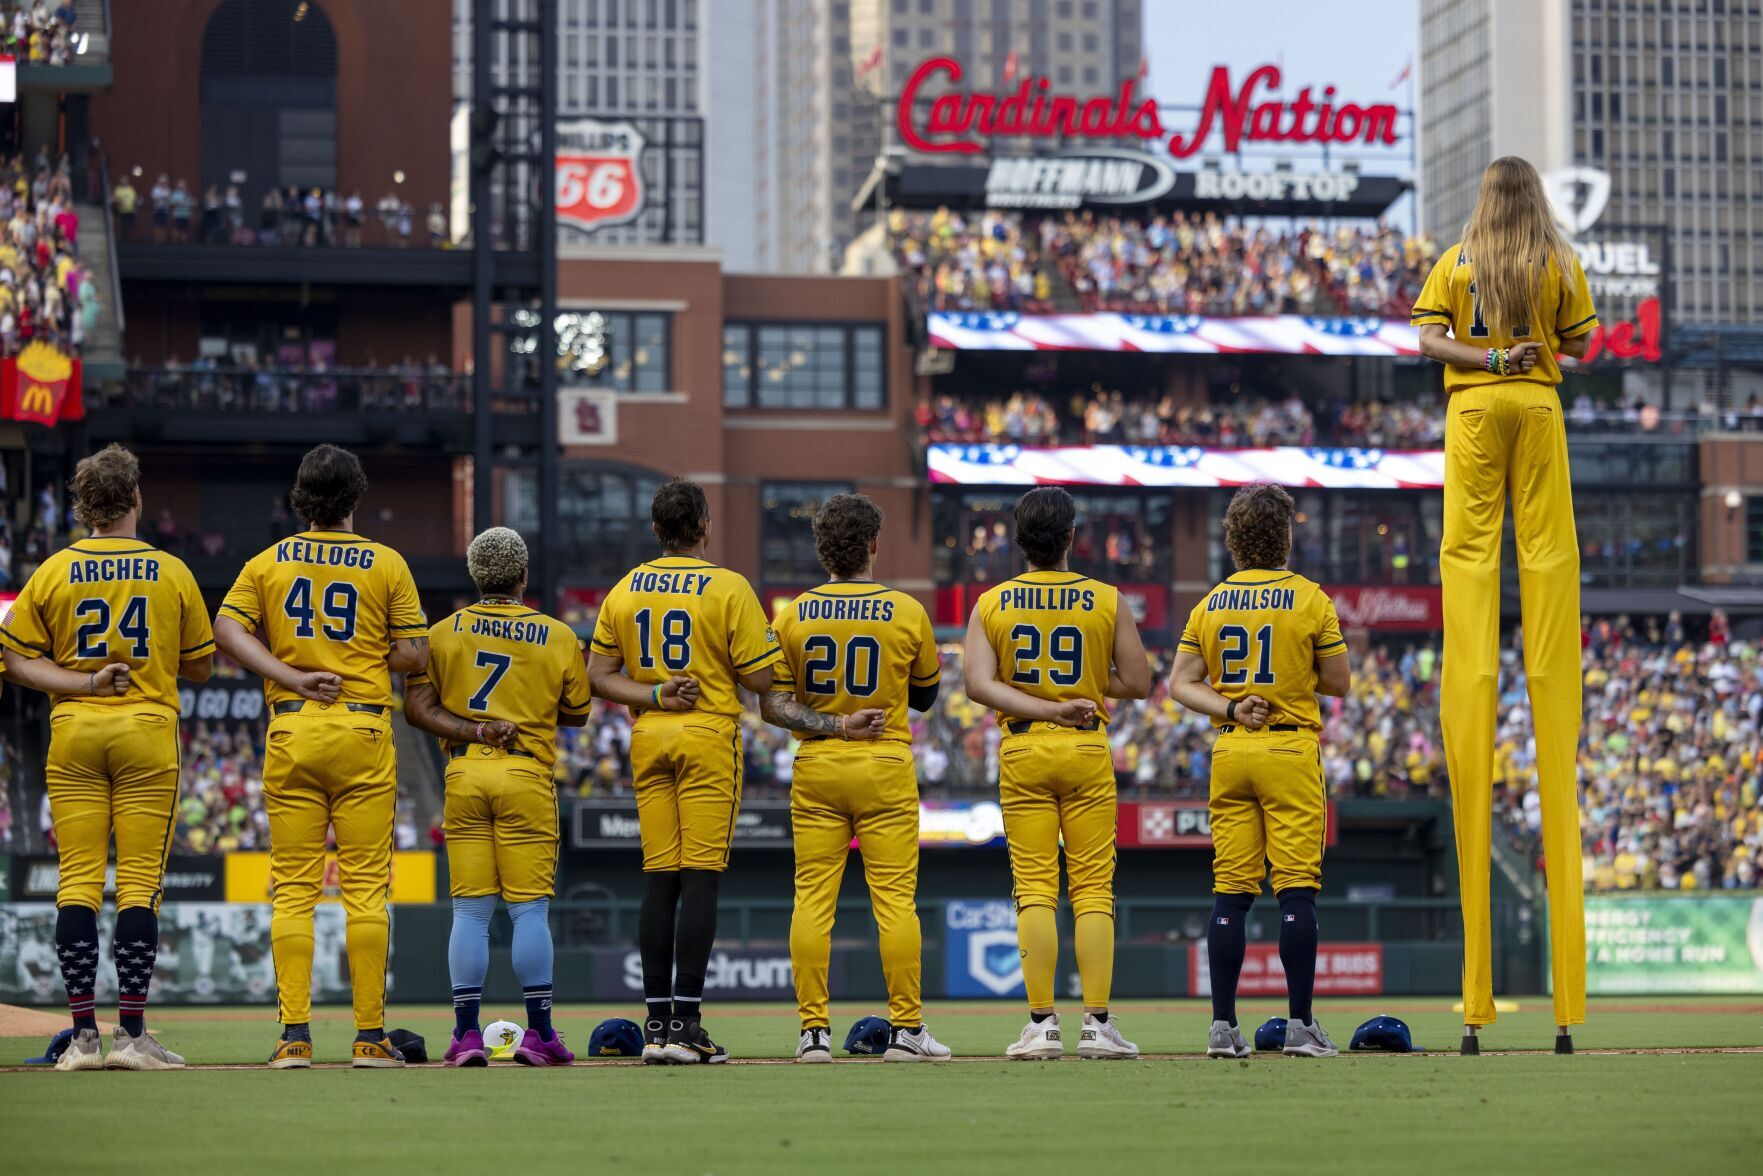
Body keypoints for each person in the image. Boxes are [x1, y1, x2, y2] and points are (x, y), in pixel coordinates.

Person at [1412, 155, 1598, 1054]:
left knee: (1469, 569)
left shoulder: (1456, 260)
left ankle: (1475, 1005)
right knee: (1550, 563)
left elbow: (1425, 343)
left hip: (1476, 407)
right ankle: (1566, 1006)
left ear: (1483, 200)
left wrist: (1486, 350)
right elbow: (1589, 344)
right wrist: (1534, 347)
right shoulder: (1555, 262)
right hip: (1536, 402)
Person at [213, 444, 429, 1068]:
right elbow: (415, 653)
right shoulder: (385, 563)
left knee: (294, 892)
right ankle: (368, 1038)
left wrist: (289, 670)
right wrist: (362, 656)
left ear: (301, 498)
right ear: (356, 496)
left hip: (293, 727)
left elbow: (225, 629)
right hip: (362, 731)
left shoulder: (270, 561)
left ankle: (294, 1038)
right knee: (365, 891)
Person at [0, 444, 215, 1070]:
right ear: (137, 499)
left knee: (77, 886)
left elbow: (11, 658)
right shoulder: (171, 570)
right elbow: (200, 665)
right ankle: (132, 1037)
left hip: (74, 733)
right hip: (147, 732)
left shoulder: (51, 570)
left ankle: (82, 1040)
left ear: (82, 504)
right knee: (140, 886)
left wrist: (84, 683)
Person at [587, 478, 781, 1065]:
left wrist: (652, 691)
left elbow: (599, 675)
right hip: (706, 733)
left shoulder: (624, 590)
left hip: (649, 733)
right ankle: (688, 1023)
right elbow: (761, 680)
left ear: (655, 529)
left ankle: (655, 1025)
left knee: (658, 878)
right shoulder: (728, 586)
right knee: (700, 876)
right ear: (704, 527)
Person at [962, 486, 1151, 1060]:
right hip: (1085, 746)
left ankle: (1043, 1025)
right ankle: (1096, 1024)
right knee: (1093, 889)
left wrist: (1041, 704)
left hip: (1024, 750)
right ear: (1072, 537)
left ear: (1019, 541)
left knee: (1035, 891)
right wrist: (1084, 691)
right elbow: (1138, 682)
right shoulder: (1106, 598)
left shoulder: (991, 602)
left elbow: (977, 684)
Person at [762, 493, 951, 1063]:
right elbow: (925, 696)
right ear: (873, 544)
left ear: (822, 549)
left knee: (812, 901)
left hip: (818, 759)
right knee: (895, 903)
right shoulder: (907, 610)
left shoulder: (791, 614)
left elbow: (773, 705)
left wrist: (835, 722)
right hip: (885, 761)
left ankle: (813, 1033)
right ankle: (907, 1031)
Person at [1168, 483, 1353, 1060]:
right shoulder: (1311, 599)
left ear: (1233, 540)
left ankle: (1223, 1028)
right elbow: (1339, 681)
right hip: (1289, 748)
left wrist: (1230, 705)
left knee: (1231, 892)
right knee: (1296, 889)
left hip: (1231, 746)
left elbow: (1178, 683)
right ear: (1287, 536)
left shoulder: (1211, 603)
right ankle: (1301, 1026)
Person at [402, 527, 591, 1068]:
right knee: (529, 911)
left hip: (464, 773)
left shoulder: (441, 633)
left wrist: (475, 728)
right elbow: (577, 711)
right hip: (526, 775)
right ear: (524, 575)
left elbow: (417, 708)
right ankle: (540, 1035)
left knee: (471, 911)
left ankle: (465, 1035)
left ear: (475, 575)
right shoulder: (555, 634)